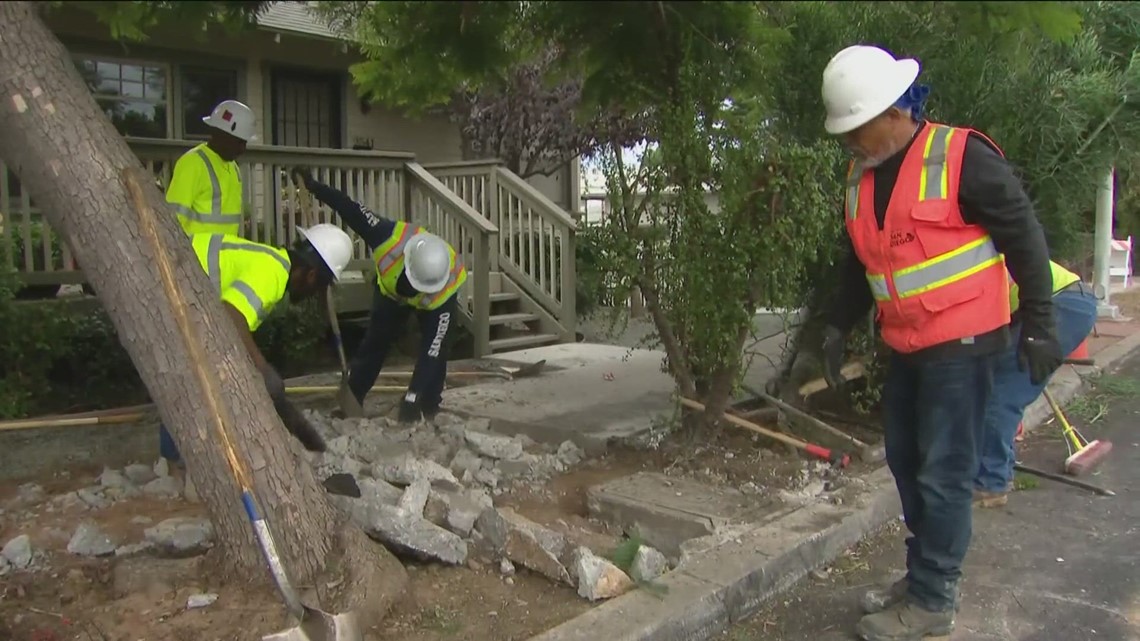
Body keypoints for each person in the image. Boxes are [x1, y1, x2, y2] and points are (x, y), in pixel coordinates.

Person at [818, 45, 1063, 641]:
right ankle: (922, 576)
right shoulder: (862, 175)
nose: (849, 141)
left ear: (894, 111)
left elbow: (1024, 236)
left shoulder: (961, 156)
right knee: (906, 462)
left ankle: (933, 599)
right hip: (907, 343)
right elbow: (857, 263)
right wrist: (833, 326)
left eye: (856, 128)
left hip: (964, 341)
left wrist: (1039, 323)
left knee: (944, 473)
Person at [157, 224, 355, 463]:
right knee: (189, 379)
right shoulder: (272, 273)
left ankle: (178, 460)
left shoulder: (270, 261)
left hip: (169, 276)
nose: (312, 294)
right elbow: (231, 314)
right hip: (163, 281)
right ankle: (176, 464)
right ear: (311, 276)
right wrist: (262, 368)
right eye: (318, 288)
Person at [289, 167, 466, 424]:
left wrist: (411, 398)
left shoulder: (443, 290)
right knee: (375, 342)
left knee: (436, 352)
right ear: (406, 264)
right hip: (389, 294)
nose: (413, 292)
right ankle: (353, 398)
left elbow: (432, 350)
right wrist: (314, 187)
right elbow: (349, 208)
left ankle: (427, 404)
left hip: (436, 305)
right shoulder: (387, 236)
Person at [974, 261, 1097, 507]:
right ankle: (996, 470)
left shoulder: (975, 270)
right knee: (1000, 388)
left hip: (1061, 304)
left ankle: (991, 484)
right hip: (1063, 301)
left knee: (1001, 394)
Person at [165, 99, 255, 237]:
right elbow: (172, 219)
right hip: (195, 250)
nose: (242, 149)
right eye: (239, 142)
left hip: (224, 249)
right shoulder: (192, 163)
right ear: (220, 133)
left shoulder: (233, 168)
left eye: (245, 143)